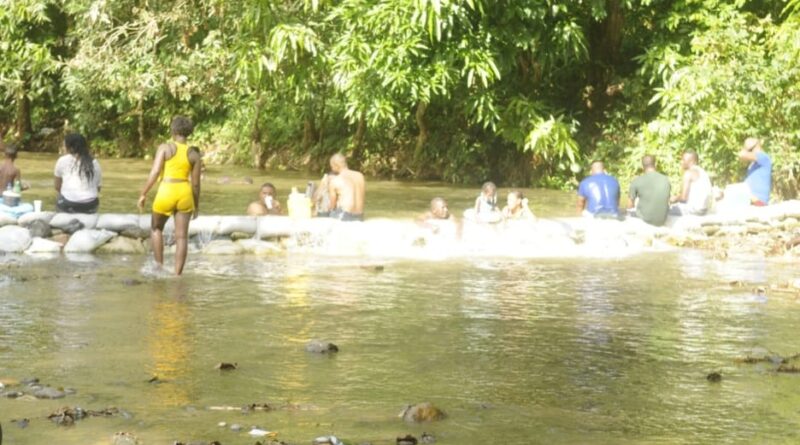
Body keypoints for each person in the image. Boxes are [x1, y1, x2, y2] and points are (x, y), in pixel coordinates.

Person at [137, 116, 202, 276]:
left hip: (167, 191)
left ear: (173, 131)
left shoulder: (165, 148)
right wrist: (196, 206)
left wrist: (143, 193)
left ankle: (159, 268)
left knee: (156, 228)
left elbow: (155, 172)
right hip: (184, 193)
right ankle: (177, 275)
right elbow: (195, 184)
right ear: (189, 133)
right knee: (182, 238)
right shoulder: (194, 154)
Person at [54, 133, 102, 213]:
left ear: (70, 148)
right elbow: (98, 188)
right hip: (91, 205)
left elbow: (57, 187)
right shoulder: (95, 162)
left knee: (59, 197)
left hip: (68, 204)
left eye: (64, 146)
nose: (63, 148)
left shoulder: (62, 161)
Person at [628, 155, 671, 226]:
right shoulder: (665, 179)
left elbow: (630, 205)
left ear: (642, 166)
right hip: (662, 220)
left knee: (635, 201)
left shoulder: (636, 181)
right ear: (655, 164)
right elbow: (667, 200)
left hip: (645, 220)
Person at [669, 150, 712, 215]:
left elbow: (684, 198)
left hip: (695, 209)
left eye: (683, 160)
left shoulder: (688, 173)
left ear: (692, 161)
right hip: (704, 209)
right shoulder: (702, 171)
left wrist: (674, 198)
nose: (681, 162)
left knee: (664, 210)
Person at [328, 153, 365, 221]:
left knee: (325, 213)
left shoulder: (335, 181)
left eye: (332, 166)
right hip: (359, 216)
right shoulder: (360, 175)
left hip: (345, 217)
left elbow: (332, 207)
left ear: (336, 165)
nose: (332, 169)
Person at [740, 137, 772, 205]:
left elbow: (742, 155)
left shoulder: (763, 156)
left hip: (758, 200)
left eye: (750, 150)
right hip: (751, 199)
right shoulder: (754, 164)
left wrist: (745, 148)